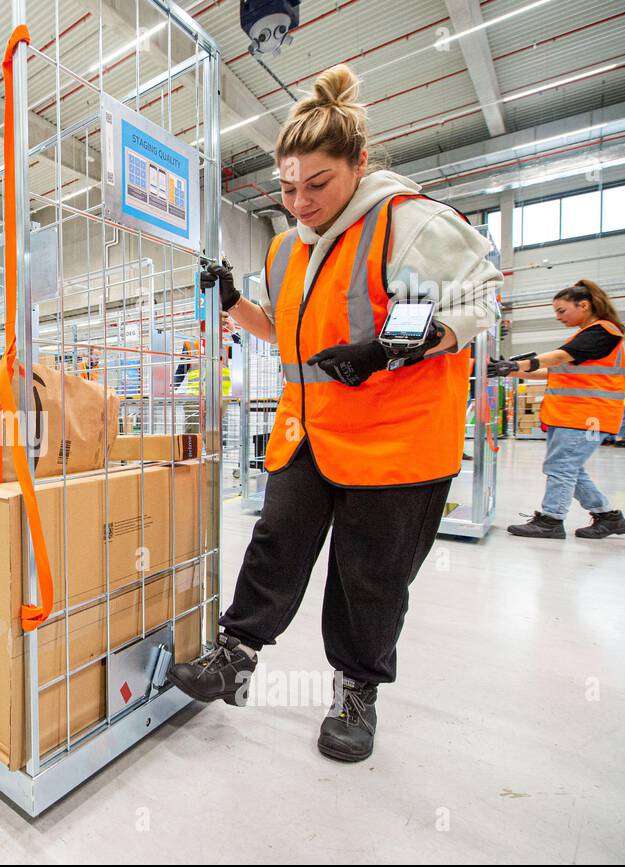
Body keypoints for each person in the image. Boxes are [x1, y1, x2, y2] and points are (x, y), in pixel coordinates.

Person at [167, 64, 501, 762]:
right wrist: (233, 301)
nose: (301, 202)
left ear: (359, 163)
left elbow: (474, 305)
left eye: (317, 185)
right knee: (277, 540)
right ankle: (238, 653)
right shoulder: (290, 247)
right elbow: (287, 333)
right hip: (311, 430)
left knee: (369, 574)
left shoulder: (406, 222)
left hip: (397, 438)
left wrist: (387, 349)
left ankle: (357, 690)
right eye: (288, 189)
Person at [490, 281, 625, 540]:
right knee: (569, 467)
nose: (557, 317)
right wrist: (510, 369)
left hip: (587, 415)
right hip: (571, 415)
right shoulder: (585, 335)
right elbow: (550, 371)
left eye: (561, 311)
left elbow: (555, 358)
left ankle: (551, 520)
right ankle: (608, 516)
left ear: (584, 305)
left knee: (562, 467)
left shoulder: (603, 332)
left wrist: (519, 362)